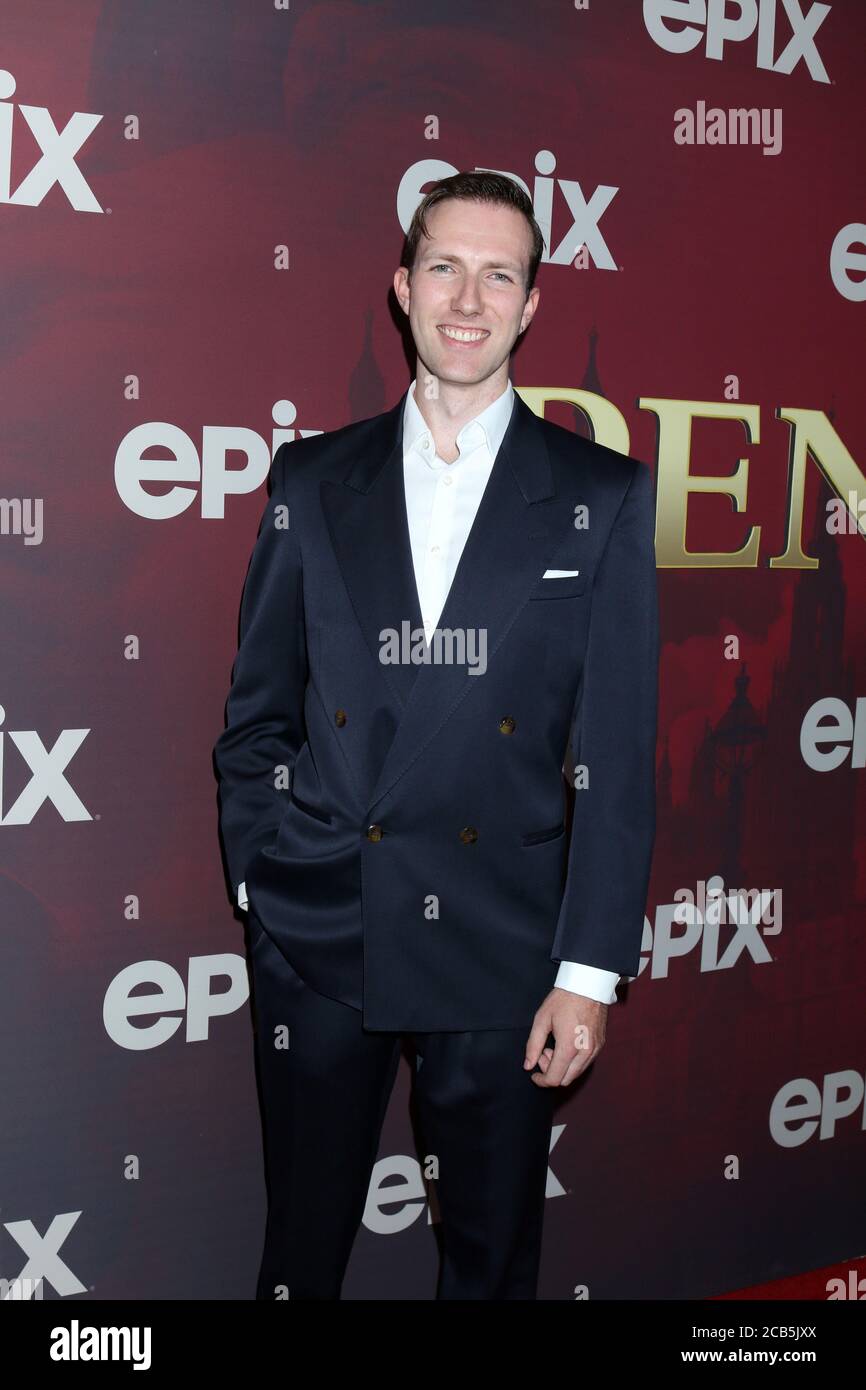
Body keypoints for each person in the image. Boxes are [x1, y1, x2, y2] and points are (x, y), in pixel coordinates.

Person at [213, 170, 659, 1300]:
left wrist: (588, 971)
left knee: (489, 1263)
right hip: (324, 933)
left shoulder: (598, 496)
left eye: (498, 273)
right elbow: (256, 712)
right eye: (446, 268)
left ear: (530, 303)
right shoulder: (310, 480)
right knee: (299, 1252)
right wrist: (263, 885)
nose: (469, 298)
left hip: (502, 949)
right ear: (403, 288)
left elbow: (616, 759)